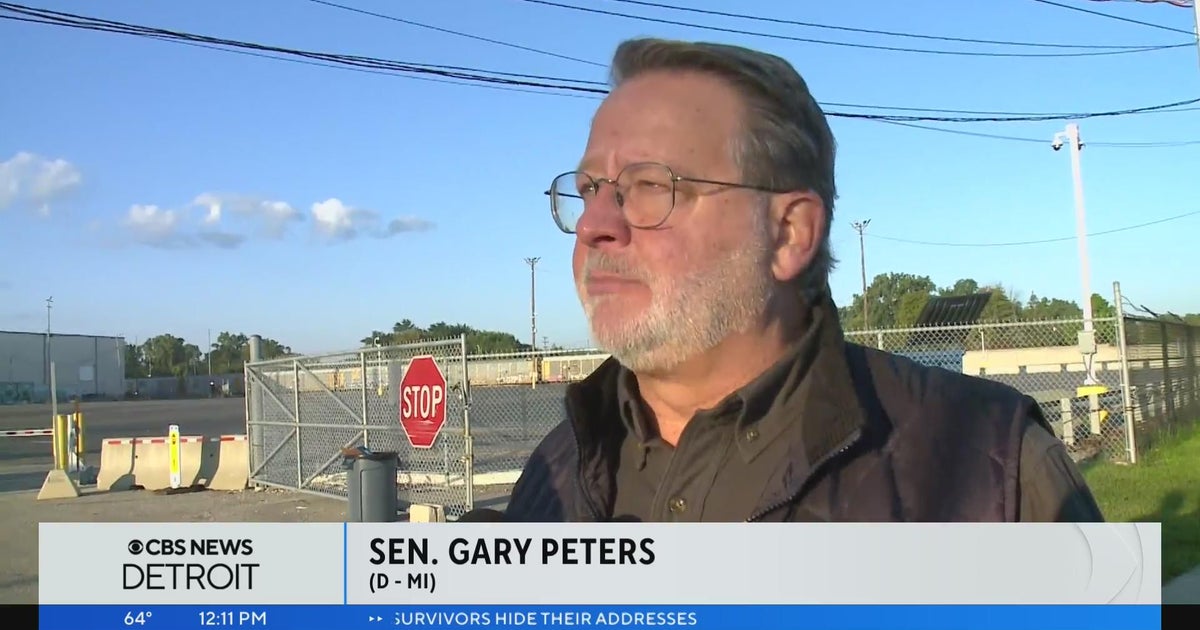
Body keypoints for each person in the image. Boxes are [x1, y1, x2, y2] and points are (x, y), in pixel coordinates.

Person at [505, 38, 1104, 523]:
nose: (593, 225)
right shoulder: (554, 476)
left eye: (649, 185)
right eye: (589, 190)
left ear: (790, 233)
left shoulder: (991, 475)